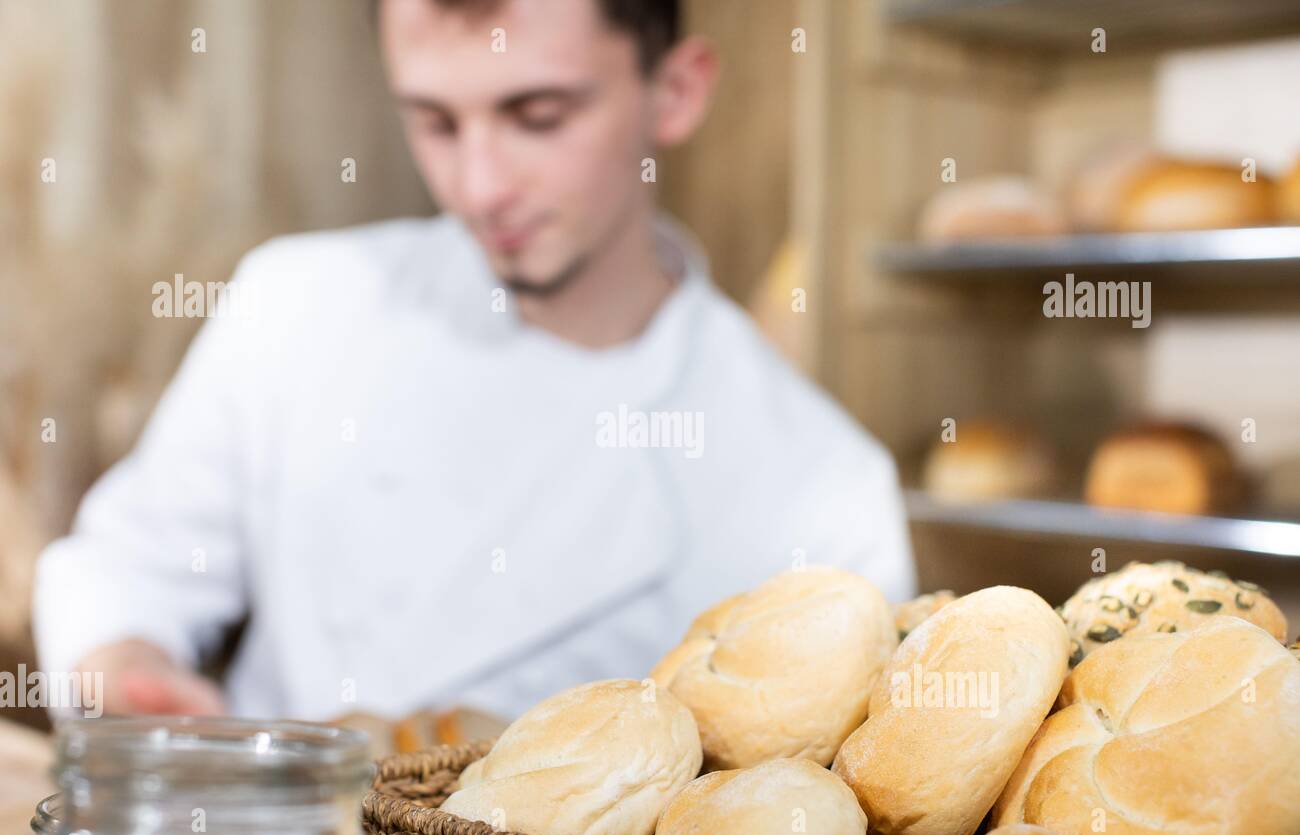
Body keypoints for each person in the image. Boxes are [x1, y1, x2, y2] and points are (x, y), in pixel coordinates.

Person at [33, 0, 915, 721]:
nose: (480, 185)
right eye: (435, 121)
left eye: (538, 117)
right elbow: (132, 564)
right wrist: (128, 664)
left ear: (675, 93)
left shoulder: (823, 492)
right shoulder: (296, 301)